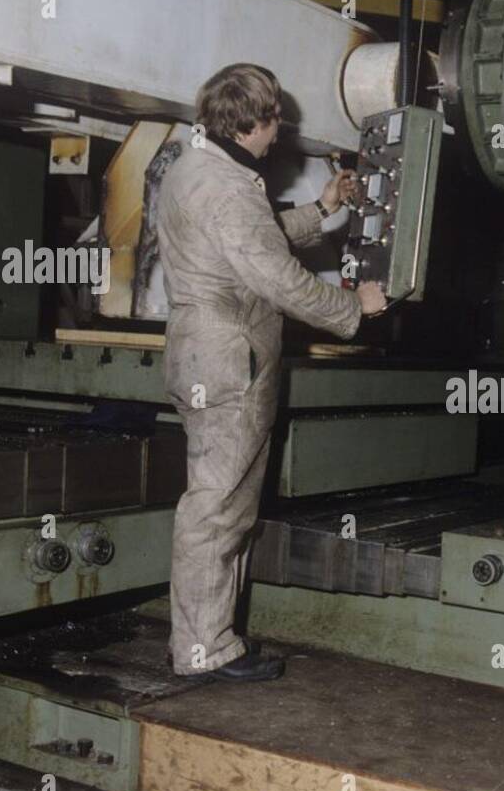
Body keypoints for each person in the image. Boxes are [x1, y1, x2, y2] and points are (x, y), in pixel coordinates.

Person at [158, 62, 386, 681]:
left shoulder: (195, 168)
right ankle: (203, 646)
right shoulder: (229, 188)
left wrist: (322, 207)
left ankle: (204, 635)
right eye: (274, 121)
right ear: (256, 121)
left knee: (219, 502)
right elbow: (276, 277)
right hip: (231, 354)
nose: (277, 134)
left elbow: (251, 241)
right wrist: (352, 309)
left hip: (202, 349)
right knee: (219, 507)